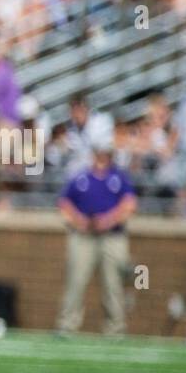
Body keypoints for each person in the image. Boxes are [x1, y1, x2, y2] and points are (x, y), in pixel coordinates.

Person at [56, 136, 137, 336]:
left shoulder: (118, 178)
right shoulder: (82, 177)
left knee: (113, 283)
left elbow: (129, 204)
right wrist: (80, 221)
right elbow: (64, 203)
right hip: (84, 236)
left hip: (111, 236)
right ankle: (67, 324)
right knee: (76, 280)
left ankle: (115, 328)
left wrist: (108, 220)